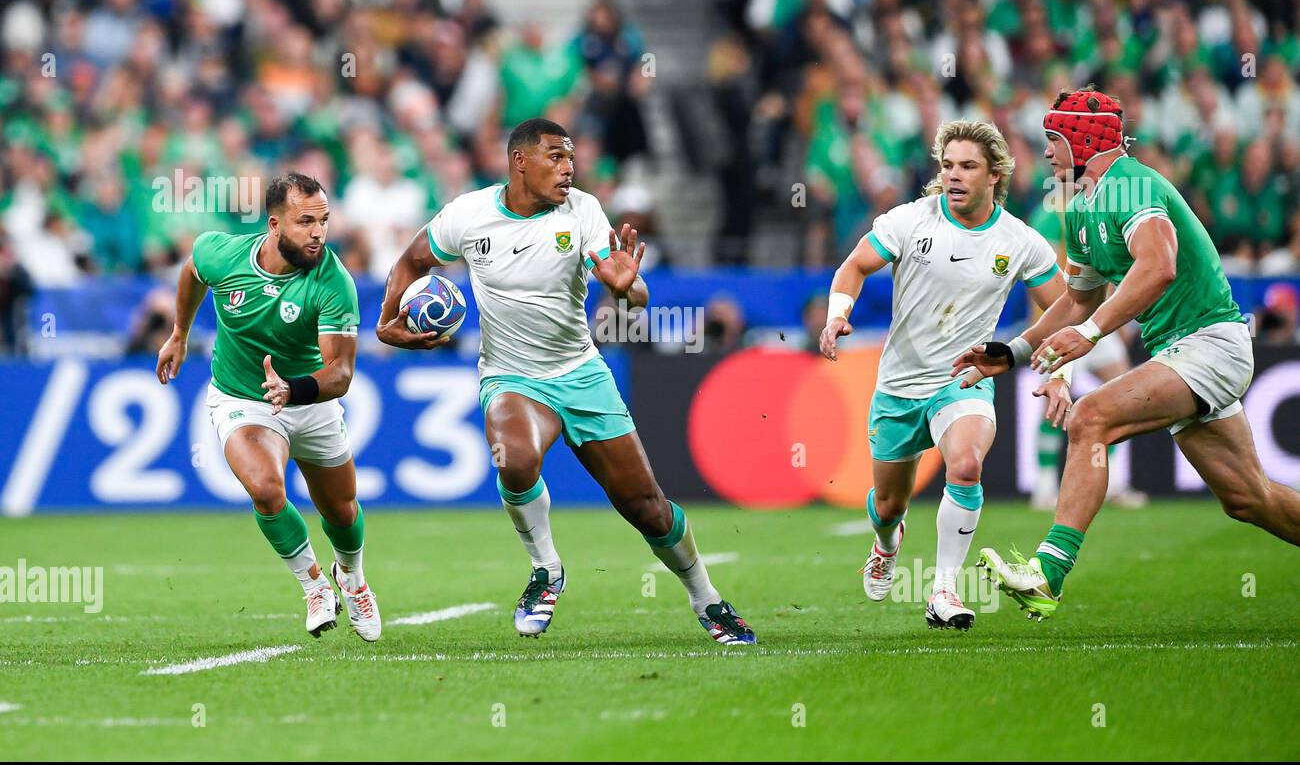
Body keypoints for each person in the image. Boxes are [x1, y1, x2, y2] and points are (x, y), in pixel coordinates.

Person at [376, 118, 755, 645]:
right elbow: (413, 259)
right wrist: (386, 318)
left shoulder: (583, 212)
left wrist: (630, 288)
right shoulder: (469, 215)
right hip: (511, 375)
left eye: (571, 157)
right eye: (555, 156)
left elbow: (625, 282)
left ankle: (707, 599)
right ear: (520, 162)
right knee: (515, 456)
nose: (568, 167)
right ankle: (546, 569)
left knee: (645, 506)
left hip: (580, 371)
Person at [956, 87, 1300, 620]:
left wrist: (1090, 334)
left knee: (1090, 417)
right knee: (1248, 499)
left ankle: (1048, 575)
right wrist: (1016, 350)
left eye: (1052, 140)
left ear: (1080, 139)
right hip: (1185, 351)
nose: (1045, 153)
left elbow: (1159, 264)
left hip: (1209, 342)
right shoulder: (1081, 206)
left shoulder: (1129, 184)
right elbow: (1078, 298)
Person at [821, 120, 1069, 629]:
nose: (954, 176)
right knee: (888, 504)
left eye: (967, 167)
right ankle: (887, 542)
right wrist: (836, 313)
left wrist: (1051, 365)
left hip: (963, 380)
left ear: (995, 174)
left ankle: (944, 591)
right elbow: (853, 266)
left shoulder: (1019, 241)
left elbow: (1065, 306)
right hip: (898, 385)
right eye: (948, 166)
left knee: (966, 465)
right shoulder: (911, 221)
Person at [156, 173, 379, 641]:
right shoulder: (224, 254)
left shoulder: (332, 281)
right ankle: (314, 585)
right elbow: (192, 271)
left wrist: (293, 390)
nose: (319, 232)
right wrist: (180, 332)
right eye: (305, 222)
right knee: (264, 487)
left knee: (339, 508)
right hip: (242, 397)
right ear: (274, 225)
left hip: (310, 396)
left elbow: (339, 373)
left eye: (323, 221)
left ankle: (352, 579)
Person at [1027, 187, 1148, 510]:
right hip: (1065, 320)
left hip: (1096, 321)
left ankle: (1114, 483)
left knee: (1125, 393)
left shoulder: (1100, 205)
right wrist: (1046, 325)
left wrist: (1117, 321)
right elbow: (1042, 274)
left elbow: (1108, 268)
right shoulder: (1051, 213)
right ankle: (1043, 486)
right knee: (1055, 402)